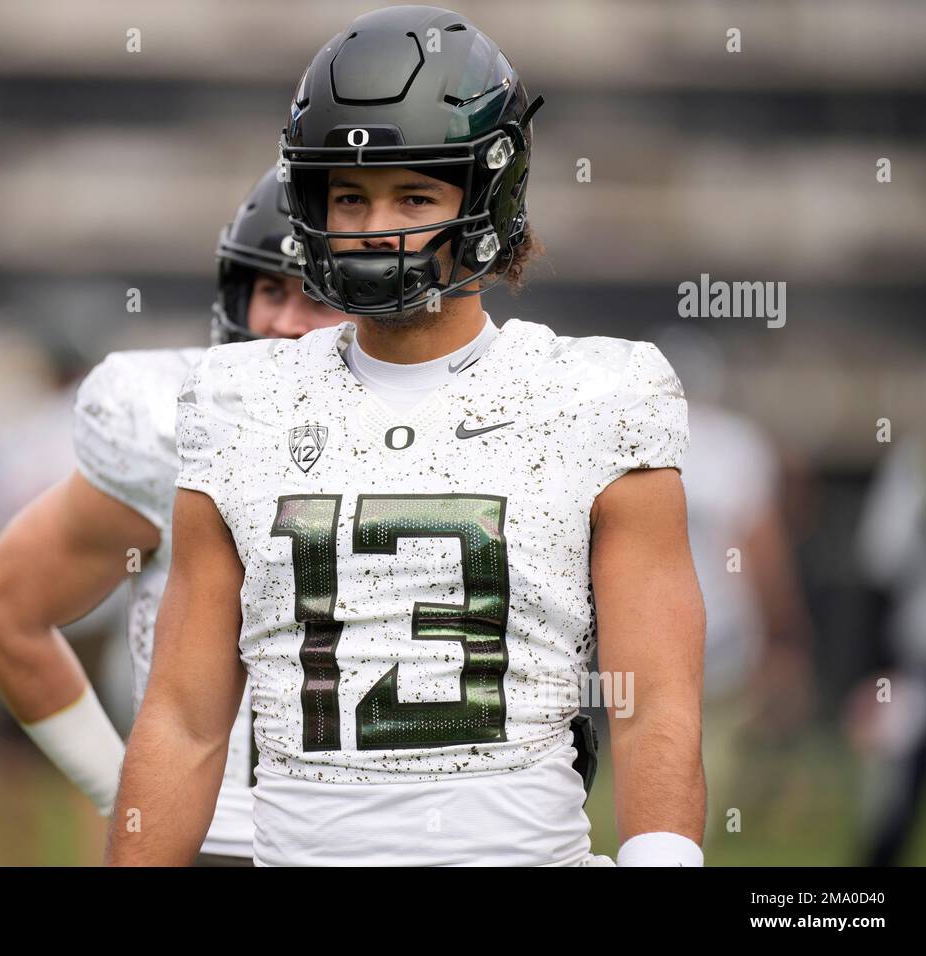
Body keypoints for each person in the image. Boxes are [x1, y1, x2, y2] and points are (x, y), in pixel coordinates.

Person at [108, 5, 706, 867]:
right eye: (349, 196)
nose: (373, 226)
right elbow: (185, 719)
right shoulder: (241, 401)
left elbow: (656, 704)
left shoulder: (595, 397)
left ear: (488, 197)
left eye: (414, 195)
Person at [0, 169, 341, 865]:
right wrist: (125, 799)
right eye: (270, 290)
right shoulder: (177, 431)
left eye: (315, 295)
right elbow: (0, 608)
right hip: (223, 840)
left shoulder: (481, 427)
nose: (286, 323)